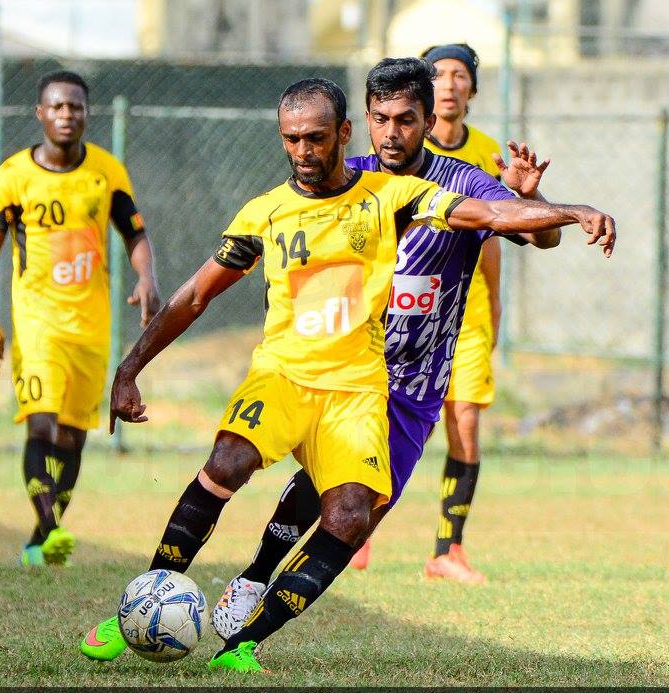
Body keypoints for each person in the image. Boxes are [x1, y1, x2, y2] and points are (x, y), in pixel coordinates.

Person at [79, 77, 613, 673]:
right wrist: (129, 368)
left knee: (352, 516)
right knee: (227, 462)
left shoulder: (395, 194)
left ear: (340, 134)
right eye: (291, 139)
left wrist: (571, 209)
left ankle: (243, 644)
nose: (303, 151)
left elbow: (491, 211)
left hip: (364, 390)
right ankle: (139, 603)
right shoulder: (265, 211)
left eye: (314, 138)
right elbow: (195, 296)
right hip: (282, 377)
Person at [208, 58, 612, 640]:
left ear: (429, 120)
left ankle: (255, 614)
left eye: (405, 119)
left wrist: (539, 199)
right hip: (349, 367)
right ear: (364, 122)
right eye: (380, 119)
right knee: (327, 486)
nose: (392, 133)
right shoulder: (353, 177)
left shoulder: (465, 181)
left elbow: (535, 234)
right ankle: (253, 580)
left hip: (415, 383)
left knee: (363, 509)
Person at [0, 70, 159, 567]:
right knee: (41, 425)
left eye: (75, 107)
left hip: (91, 326)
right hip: (37, 324)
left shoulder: (106, 171)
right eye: (56, 107)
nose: (66, 115)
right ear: (40, 113)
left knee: (73, 435)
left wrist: (147, 278)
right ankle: (52, 529)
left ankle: (42, 538)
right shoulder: (13, 177)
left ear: (86, 113)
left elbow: (134, 233)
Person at [421, 43, 513, 581]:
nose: (449, 83)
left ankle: (446, 550)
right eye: (438, 74)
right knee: (384, 425)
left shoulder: (487, 152)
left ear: (473, 89)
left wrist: (495, 307)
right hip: (409, 306)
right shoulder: (403, 144)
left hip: (467, 308)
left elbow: (497, 236)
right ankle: (353, 530)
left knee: (466, 423)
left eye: (459, 75)